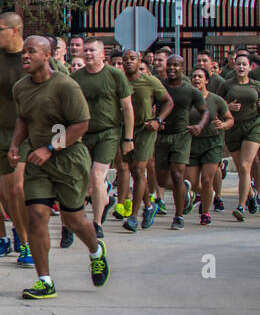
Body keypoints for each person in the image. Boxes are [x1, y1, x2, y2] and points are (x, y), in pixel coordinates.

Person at [8, 35, 110, 300]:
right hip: (38, 161)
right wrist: (16, 144)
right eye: (23, 53)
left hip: (68, 159)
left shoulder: (65, 85)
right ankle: (45, 281)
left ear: (47, 55)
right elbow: (22, 117)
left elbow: (81, 125)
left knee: (73, 220)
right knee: (36, 216)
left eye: (31, 52)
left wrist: (50, 148)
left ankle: (96, 250)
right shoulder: (20, 87)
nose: (25, 57)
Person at [66, 37, 134, 243]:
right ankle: (85, 212)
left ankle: (97, 224)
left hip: (109, 132)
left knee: (97, 176)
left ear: (102, 54)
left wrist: (128, 138)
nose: (88, 54)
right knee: (80, 179)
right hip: (83, 133)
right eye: (85, 50)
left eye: (92, 51)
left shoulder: (115, 76)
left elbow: (128, 107)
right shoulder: (76, 78)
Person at [0, 12, 33, 265]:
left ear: (16, 30)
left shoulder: (30, 56)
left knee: (13, 190)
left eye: (0, 29)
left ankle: (26, 242)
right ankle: (3, 238)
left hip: (22, 132)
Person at [116, 50, 171, 232]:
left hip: (145, 129)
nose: (128, 62)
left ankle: (133, 217)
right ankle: (149, 206)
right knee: (134, 172)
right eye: (125, 60)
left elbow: (168, 102)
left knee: (140, 170)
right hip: (125, 130)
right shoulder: (119, 81)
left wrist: (158, 120)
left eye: (132, 59)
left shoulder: (150, 81)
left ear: (139, 60)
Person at [154, 55, 207, 230]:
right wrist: (156, 121)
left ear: (183, 68)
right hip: (163, 136)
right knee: (161, 181)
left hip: (182, 135)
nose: (171, 68)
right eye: (169, 65)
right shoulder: (159, 86)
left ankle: (178, 216)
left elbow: (205, 111)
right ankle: (184, 191)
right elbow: (150, 105)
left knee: (177, 173)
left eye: (176, 65)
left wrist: (199, 125)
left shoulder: (190, 91)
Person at [188, 67, 231, 225]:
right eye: (194, 76)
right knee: (192, 182)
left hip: (212, 143)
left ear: (206, 80)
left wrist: (224, 124)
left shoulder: (216, 100)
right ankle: (208, 195)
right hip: (192, 143)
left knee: (207, 179)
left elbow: (230, 119)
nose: (196, 79)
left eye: (200, 76)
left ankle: (205, 213)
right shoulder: (188, 99)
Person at [223, 51, 260, 220]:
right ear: (234, 66)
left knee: (245, 165)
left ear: (250, 67)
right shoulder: (227, 84)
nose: (241, 67)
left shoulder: (256, 85)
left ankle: (241, 206)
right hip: (233, 128)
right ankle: (252, 195)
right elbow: (215, 102)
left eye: (244, 64)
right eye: (238, 64)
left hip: (253, 126)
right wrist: (227, 106)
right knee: (241, 169)